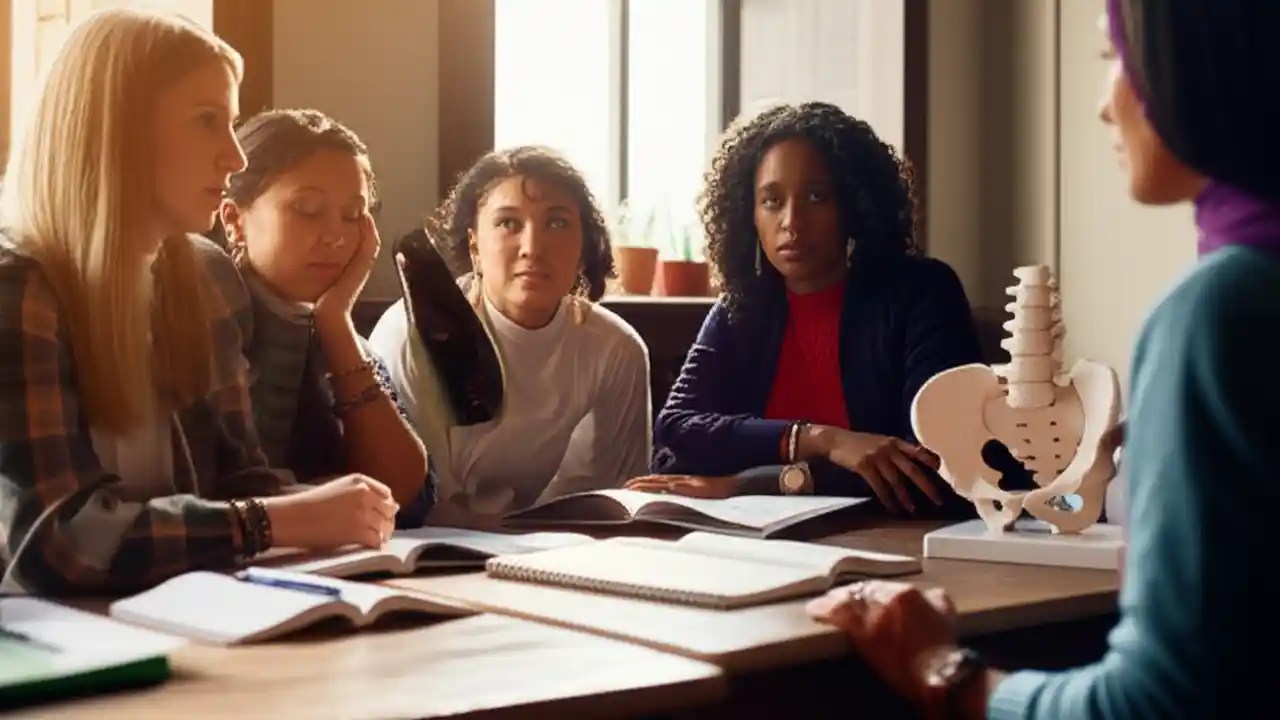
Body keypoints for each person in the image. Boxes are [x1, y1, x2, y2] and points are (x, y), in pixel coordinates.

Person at [807, 1, 1280, 717]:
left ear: (1207, 63)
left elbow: (1156, 705)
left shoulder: (1221, 314)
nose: (1104, 104)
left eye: (1116, 57)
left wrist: (939, 665)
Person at [0, 9, 396, 594]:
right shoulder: (19, 290)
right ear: (115, 129)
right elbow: (54, 542)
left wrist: (336, 506)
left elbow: (240, 480)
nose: (234, 158)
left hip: (177, 623)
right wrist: (275, 518)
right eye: (208, 121)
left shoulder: (201, 278)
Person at [628, 102, 998, 517]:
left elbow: (927, 467)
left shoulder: (921, 293)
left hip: (894, 539)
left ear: (854, 205)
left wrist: (746, 484)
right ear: (748, 213)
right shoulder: (742, 309)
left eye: (817, 196)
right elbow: (677, 430)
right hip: (756, 544)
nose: (792, 221)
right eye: (771, 200)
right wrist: (826, 440)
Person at [368, 146, 651, 526]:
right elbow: (424, 504)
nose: (532, 249)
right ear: (474, 246)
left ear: (584, 247)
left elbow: (607, 498)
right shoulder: (411, 333)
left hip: (545, 550)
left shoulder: (614, 349)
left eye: (557, 223)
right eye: (507, 224)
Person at [215, 109, 431, 517]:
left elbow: (406, 497)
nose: (335, 236)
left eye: (352, 216)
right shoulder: (206, 319)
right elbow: (216, 485)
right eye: (307, 209)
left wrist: (335, 322)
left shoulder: (351, 345)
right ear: (234, 220)